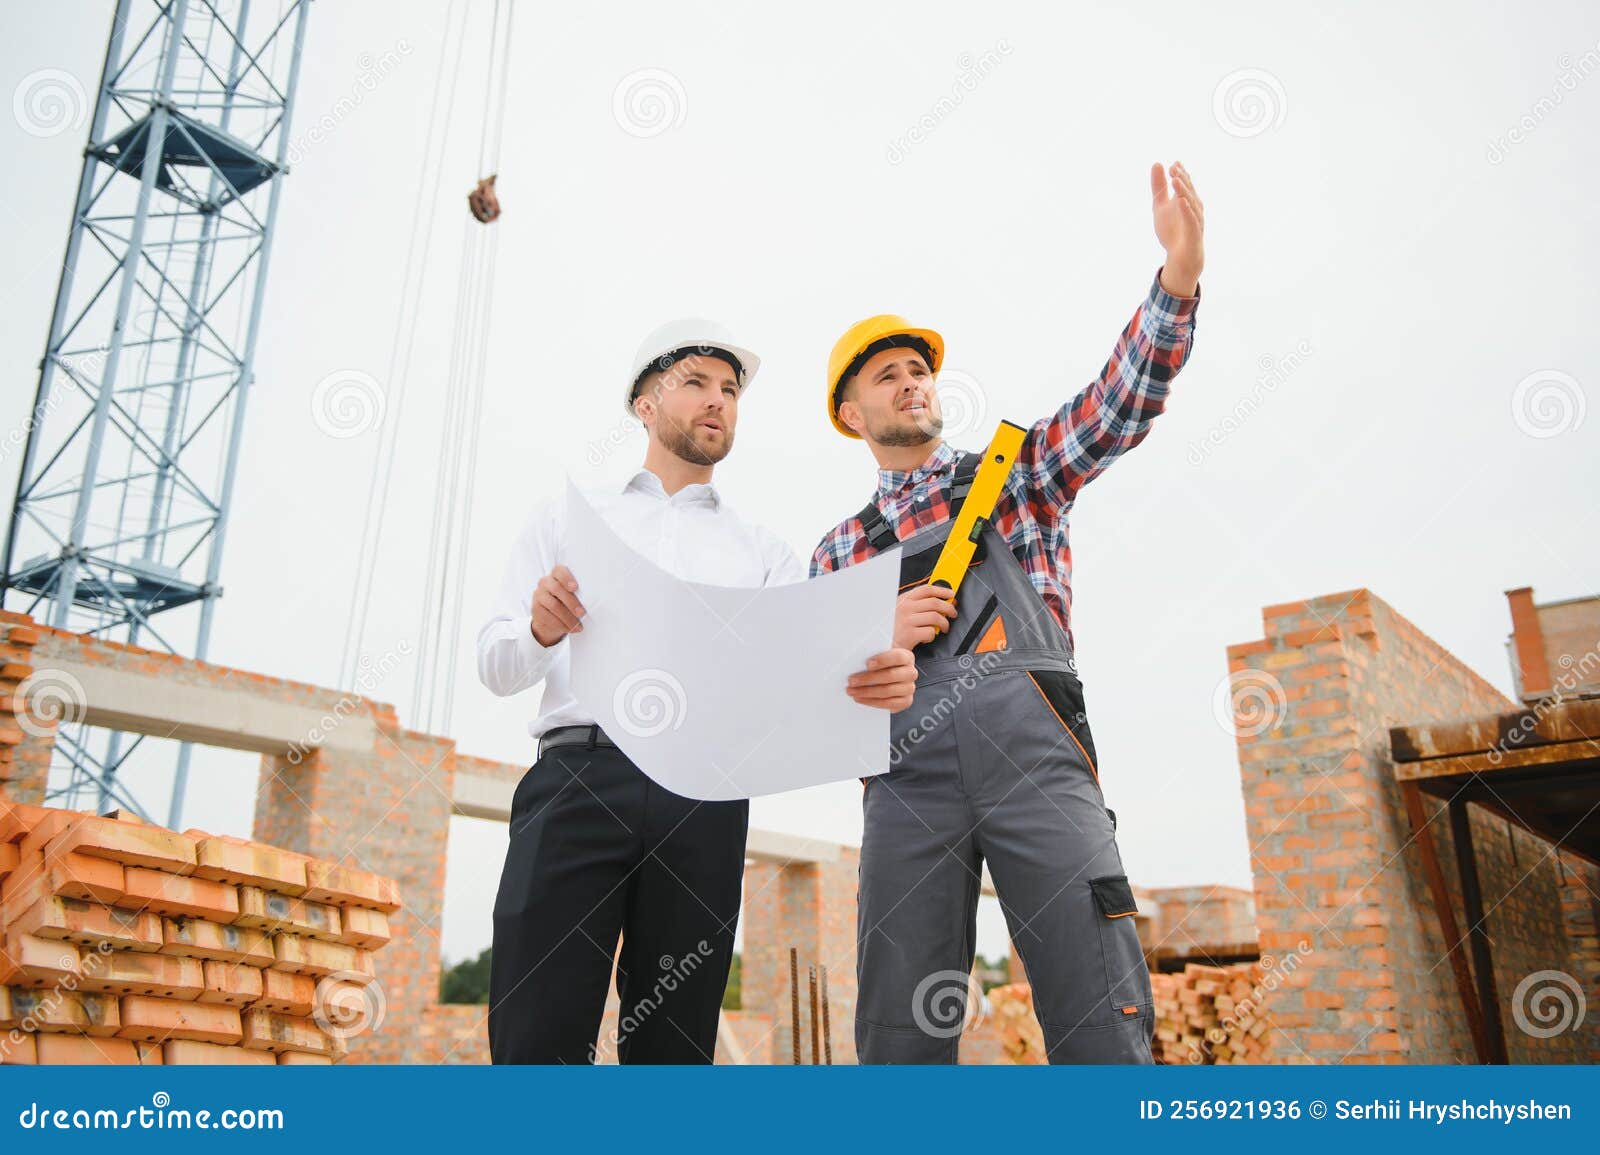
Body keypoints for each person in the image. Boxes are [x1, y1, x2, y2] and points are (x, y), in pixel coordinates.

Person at [812, 162, 1206, 1063]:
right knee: (900, 1036)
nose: (912, 383)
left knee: (1099, 1010)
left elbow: (1121, 403)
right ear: (850, 411)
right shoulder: (836, 554)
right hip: (905, 789)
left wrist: (1177, 276)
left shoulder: (1018, 475)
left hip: (1039, 763)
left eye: (919, 369)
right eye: (887, 375)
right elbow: (812, 702)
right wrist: (877, 635)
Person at [477, 318, 917, 1064]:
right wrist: (541, 630)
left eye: (729, 390)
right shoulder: (567, 518)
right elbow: (495, 665)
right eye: (695, 383)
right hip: (579, 778)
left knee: (675, 1045)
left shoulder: (766, 554)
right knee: (535, 1029)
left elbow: (807, 677)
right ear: (644, 405)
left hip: (705, 799)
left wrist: (879, 676)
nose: (718, 400)